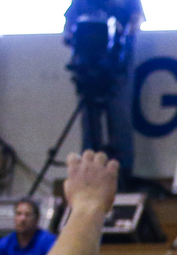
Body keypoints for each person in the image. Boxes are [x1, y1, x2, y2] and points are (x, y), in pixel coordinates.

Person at [63, 0, 144, 186]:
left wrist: (123, 36)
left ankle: (123, 172)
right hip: (86, 70)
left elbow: (136, 21)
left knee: (120, 118)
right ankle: (88, 166)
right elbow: (68, 25)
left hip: (118, 70)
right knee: (88, 122)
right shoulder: (81, 2)